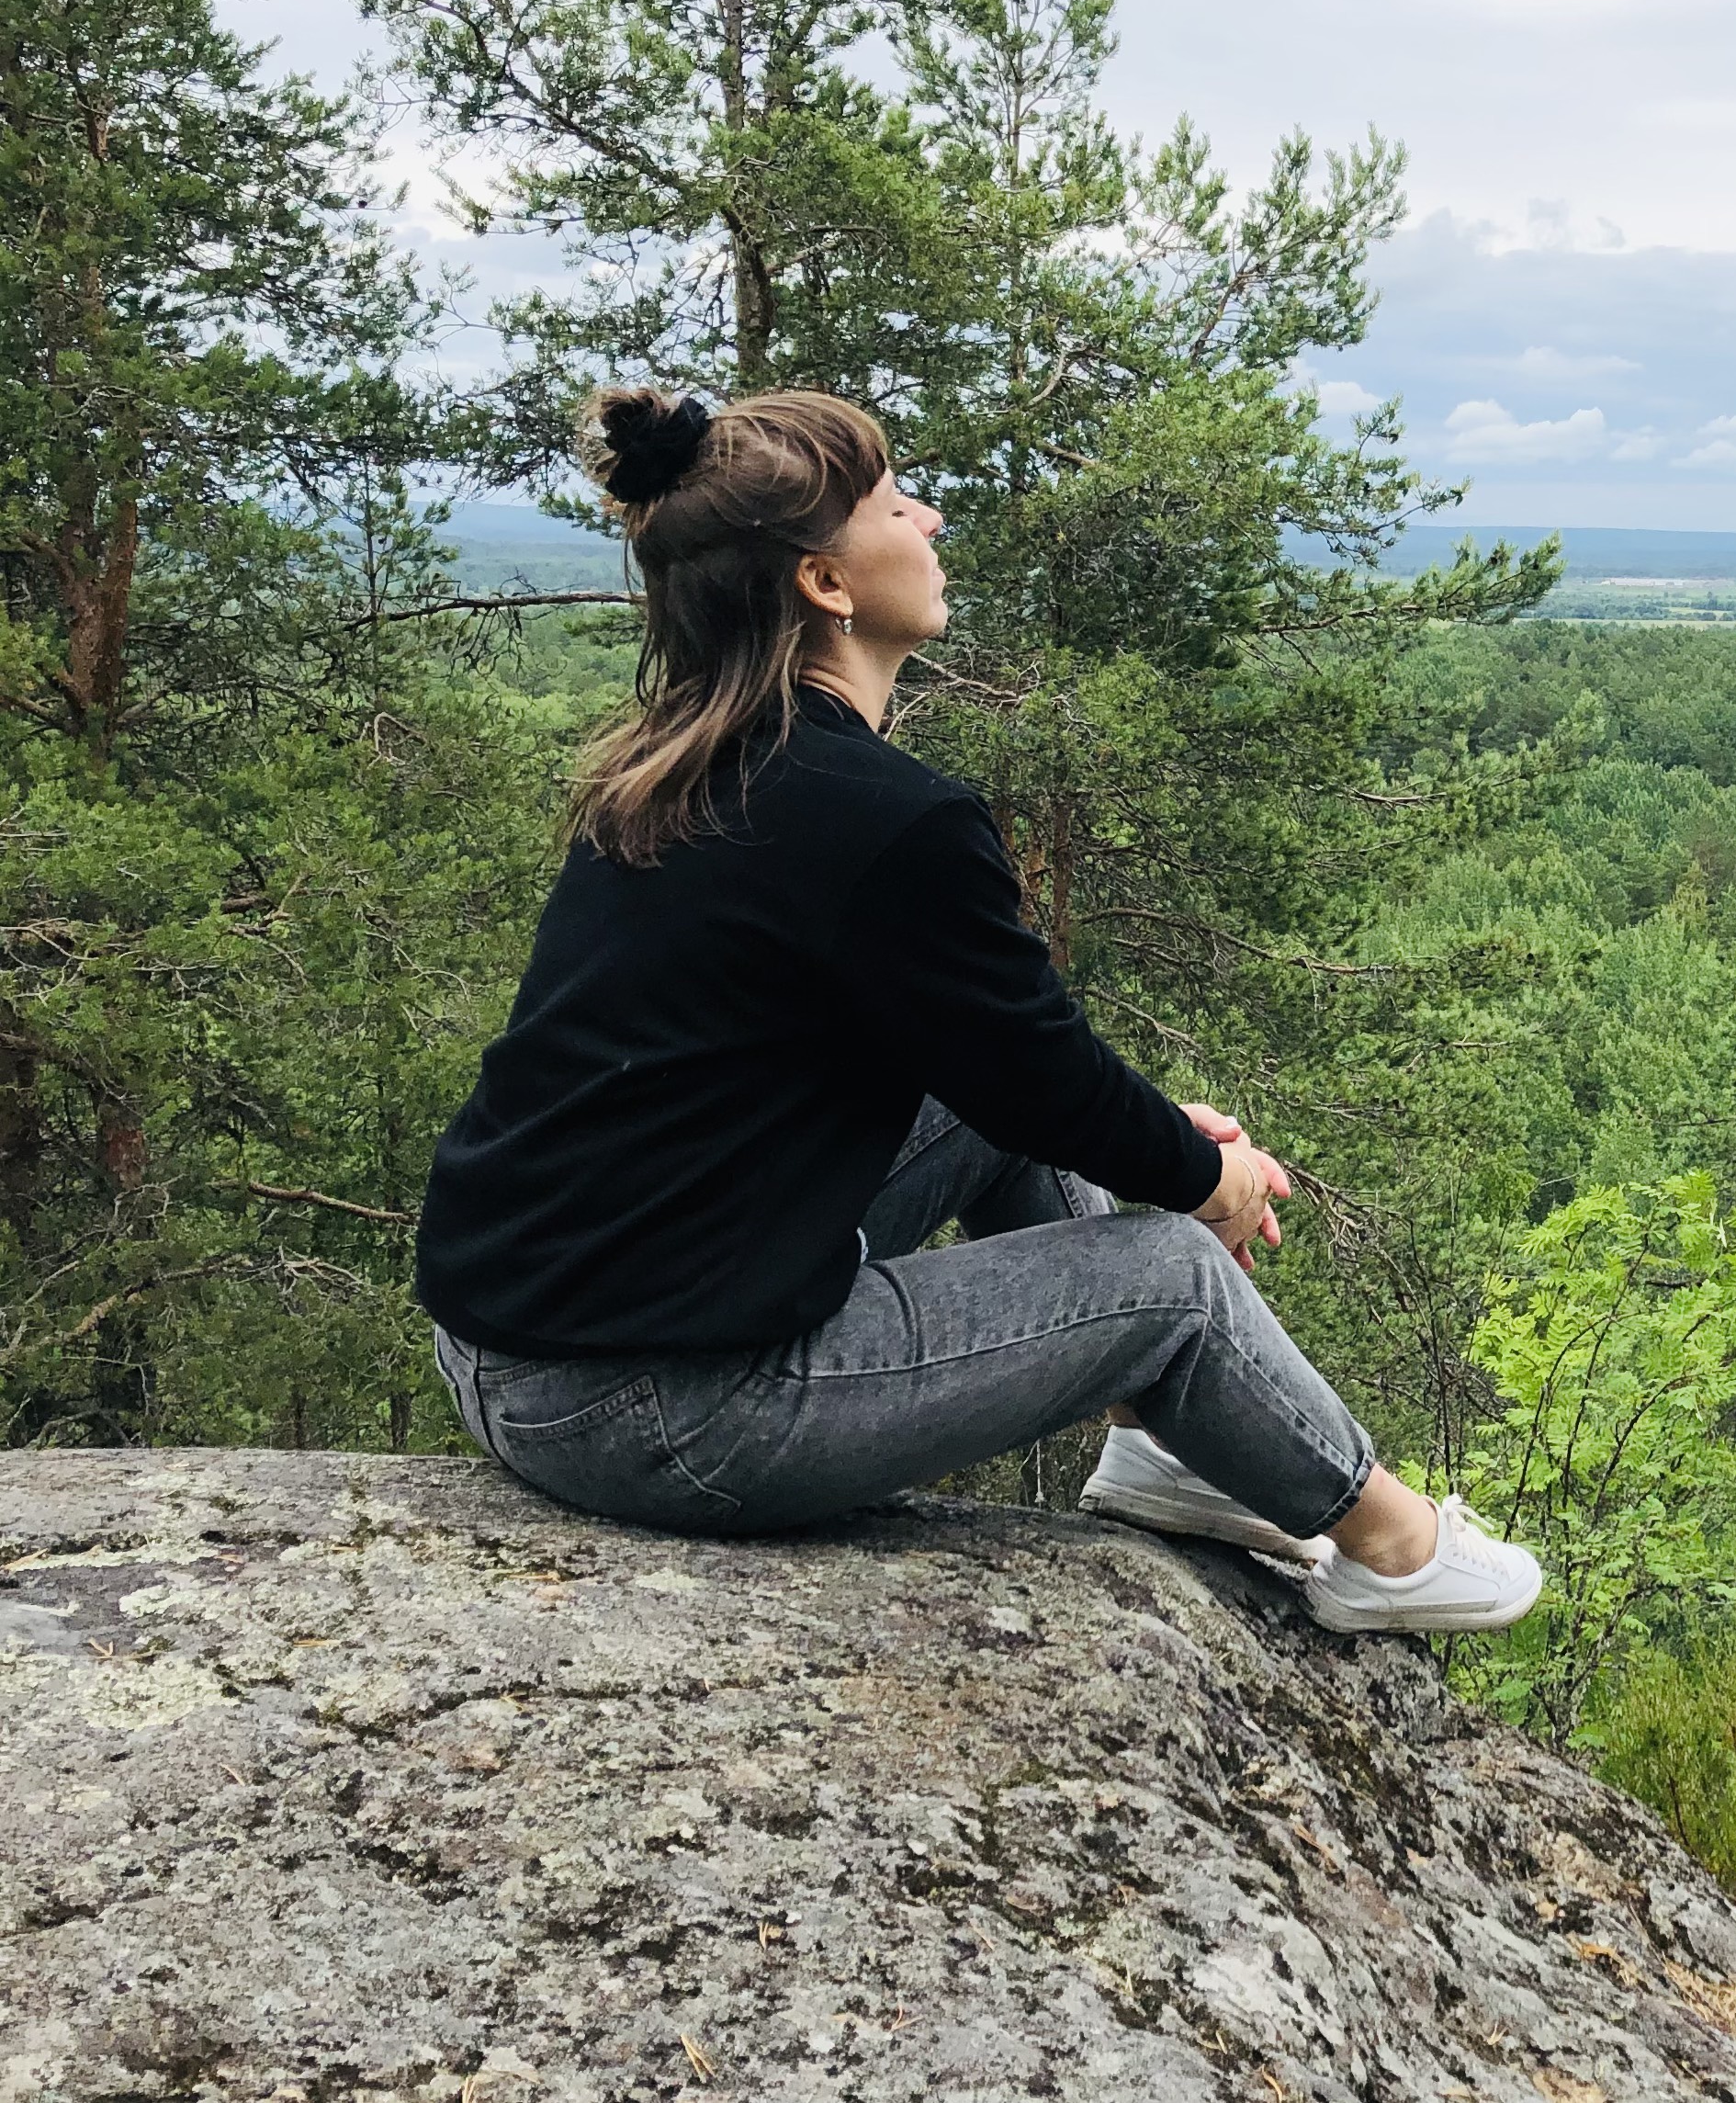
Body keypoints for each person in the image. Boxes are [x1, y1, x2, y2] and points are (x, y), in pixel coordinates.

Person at [417, 384, 1539, 1635]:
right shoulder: (881, 818)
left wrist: (1156, 1129)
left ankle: (1167, 1449)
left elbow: (1007, 1073)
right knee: (1170, 1276)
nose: (933, 519)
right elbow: (1046, 1076)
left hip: (513, 1358)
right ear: (827, 585)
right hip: (667, 1410)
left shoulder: (671, 772)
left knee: (992, 1114)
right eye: (899, 503)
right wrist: (1197, 1176)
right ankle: (1388, 1543)